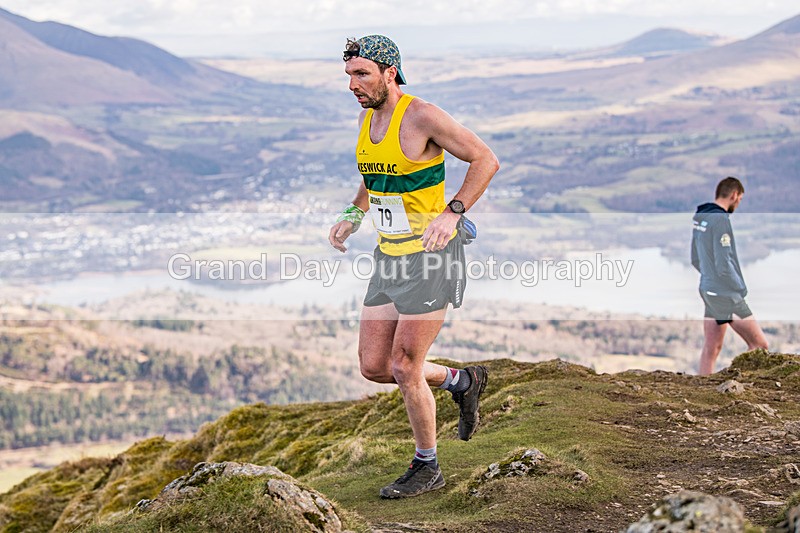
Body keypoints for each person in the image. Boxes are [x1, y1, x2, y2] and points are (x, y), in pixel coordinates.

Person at [328, 35, 499, 499]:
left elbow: (486, 159)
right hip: (389, 258)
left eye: (361, 74)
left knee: (405, 364)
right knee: (374, 366)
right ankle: (462, 381)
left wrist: (453, 211)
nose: (352, 85)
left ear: (390, 72)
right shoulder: (367, 120)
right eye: (348, 75)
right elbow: (374, 174)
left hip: (432, 258)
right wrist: (352, 214)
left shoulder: (421, 115)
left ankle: (428, 466)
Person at [691, 176, 768, 376]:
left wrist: (710, 280)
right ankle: (740, 384)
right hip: (726, 293)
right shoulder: (721, 220)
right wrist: (740, 288)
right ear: (734, 195)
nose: (738, 203)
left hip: (708, 289)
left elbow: (695, 259)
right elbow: (723, 265)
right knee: (759, 345)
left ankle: (703, 389)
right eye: (740, 199)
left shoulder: (701, 217)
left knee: (712, 347)